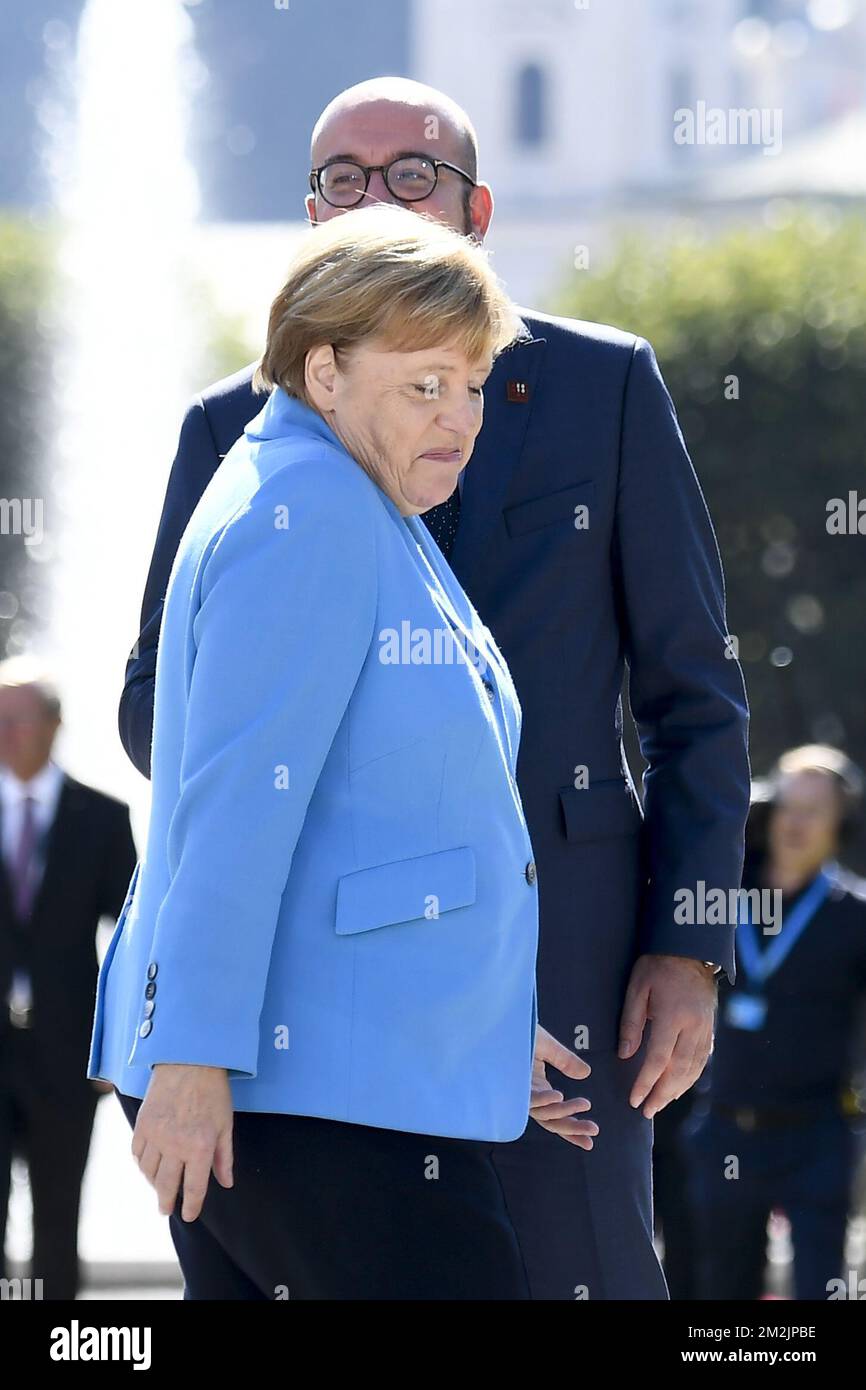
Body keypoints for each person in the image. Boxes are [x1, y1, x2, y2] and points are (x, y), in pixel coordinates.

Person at [118, 77, 751, 1299]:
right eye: (342, 181)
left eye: (412, 175)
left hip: (570, 959)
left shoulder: (606, 385)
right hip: (320, 985)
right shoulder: (254, 444)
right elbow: (179, 719)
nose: (376, 197)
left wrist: (689, 943)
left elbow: (696, 697)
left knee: (590, 1271)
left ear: (477, 207)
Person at [89, 206, 596, 1301]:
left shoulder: (344, 492)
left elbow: (373, 821)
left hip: (332, 1081)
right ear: (324, 371)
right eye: (424, 384)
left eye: (472, 384)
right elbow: (233, 812)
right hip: (300, 1096)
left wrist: (474, 1021)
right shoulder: (311, 509)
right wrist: (192, 1059)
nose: (459, 417)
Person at [684, 745, 866, 1300]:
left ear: (840, 824)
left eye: (815, 811)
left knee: (819, 1290)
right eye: (788, 805)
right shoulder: (723, 896)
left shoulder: (853, 914)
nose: (796, 822)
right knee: (723, 1295)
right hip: (725, 1128)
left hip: (817, 1133)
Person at [0, 657, 136, 1300]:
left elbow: (133, 937)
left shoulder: (102, 818)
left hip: (66, 1056)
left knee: (58, 1218)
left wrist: (122, 1045)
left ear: (55, 725)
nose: (6, 732)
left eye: (19, 718)